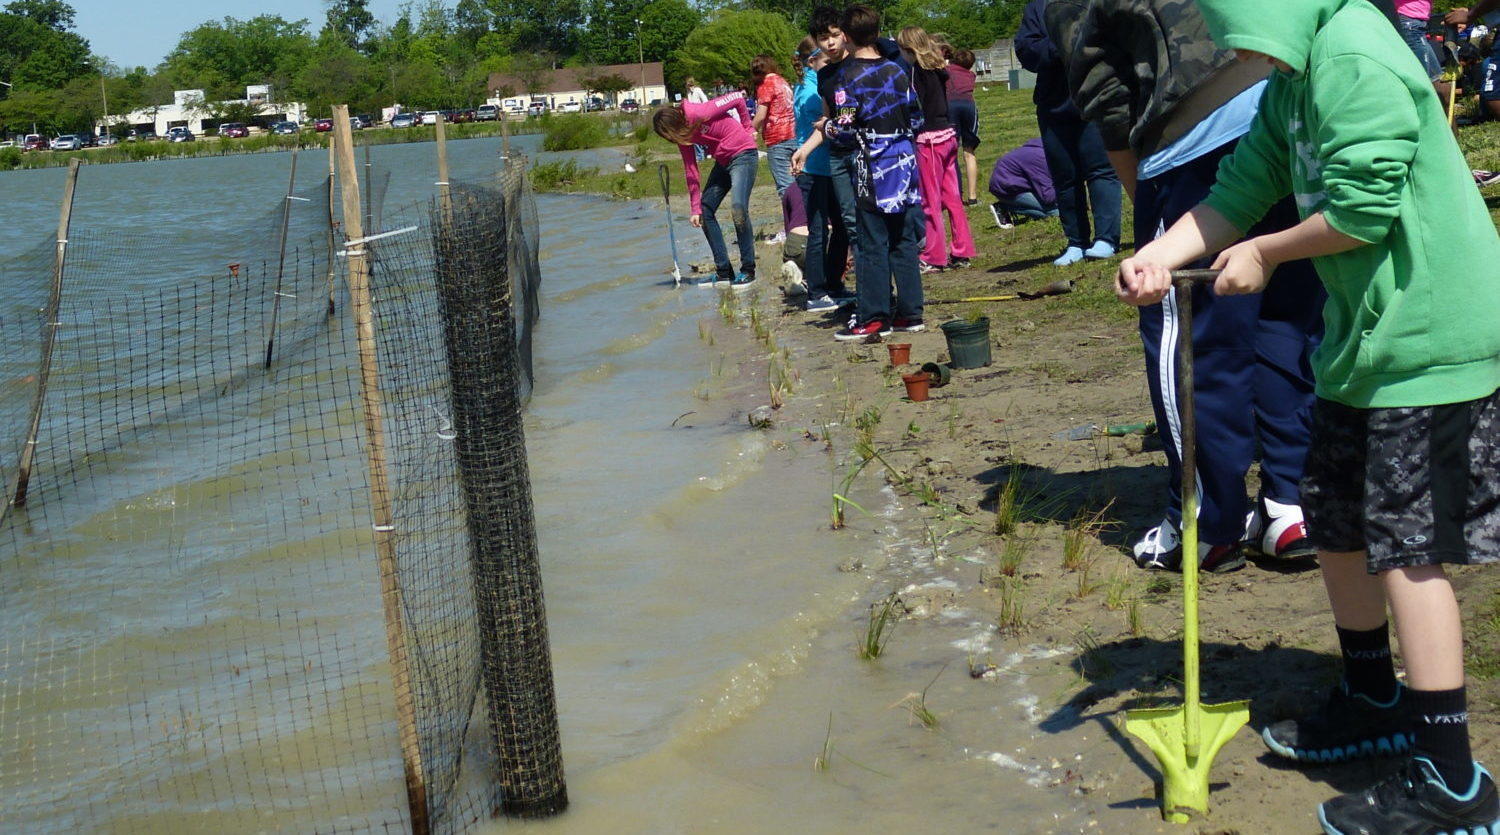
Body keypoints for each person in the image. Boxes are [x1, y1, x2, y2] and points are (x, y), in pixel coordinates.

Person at [1119, 1, 1500, 831]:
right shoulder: (1291, 84)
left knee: (1408, 548)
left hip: (1428, 337)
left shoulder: (1354, 55)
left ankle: (1455, 781)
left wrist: (1264, 252)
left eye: (1233, 26)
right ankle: (1373, 696)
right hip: (1363, 342)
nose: (1224, 46)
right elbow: (1242, 187)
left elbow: (1363, 211)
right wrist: (1160, 254)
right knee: (1336, 522)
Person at [1052, 0, 1327, 572]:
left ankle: (1208, 523)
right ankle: (1290, 504)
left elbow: (1108, 97)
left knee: (1195, 340)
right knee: (1288, 317)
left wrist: (1153, 221)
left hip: (1195, 144)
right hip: (1284, 114)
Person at [794, 3, 925, 341]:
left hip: (873, 167)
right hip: (905, 163)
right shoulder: (897, 71)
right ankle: (911, 314)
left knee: (870, 242)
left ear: (848, 36)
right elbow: (916, 117)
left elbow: (847, 126)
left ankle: (873, 317)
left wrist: (829, 125)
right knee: (903, 238)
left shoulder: (846, 78)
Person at [1015, 0, 1122, 266]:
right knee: (1065, 177)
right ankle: (1076, 242)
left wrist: (1070, 44)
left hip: (1095, 95)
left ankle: (1106, 239)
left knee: (1101, 170)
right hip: (1053, 106)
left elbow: (1106, 37)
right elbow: (1026, 48)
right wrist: (1061, 45)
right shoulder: (1038, 7)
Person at [652, 91, 759, 290]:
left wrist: (748, 127)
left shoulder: (698, 112)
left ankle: (748, 270)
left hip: (743, 154)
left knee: (738, 209)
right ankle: (724, 272)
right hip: (723, 160)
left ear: (674, 123)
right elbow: (690, 170)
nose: (670, 139)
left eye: (668, 134)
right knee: (705, 211)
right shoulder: (682, 136)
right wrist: (694, 208)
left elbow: (737, 98)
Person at [897, 25, 978, 273]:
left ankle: (933, 255)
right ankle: (962, 250)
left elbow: (911, 106)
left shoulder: (915, 73)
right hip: (949, 136)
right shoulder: (939, 68)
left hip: (929, 141)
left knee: (930, 203)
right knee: (952, 198)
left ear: (907, 49)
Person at [790, 37, 853, 312]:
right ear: (811, 61)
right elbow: (826, 125)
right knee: (819, 231)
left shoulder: (816, 85)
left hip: (830, 168)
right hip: (813, 169)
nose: (830, 64)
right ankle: (816, 291)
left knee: (841, 227)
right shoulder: (810, 91)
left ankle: (833, 283)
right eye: (825, 61)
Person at [751, 54, 799, 202]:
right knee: (798, 183)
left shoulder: (765, 85)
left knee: (786, 188)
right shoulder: (782, 81)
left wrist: (749, 129)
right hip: (794, 135)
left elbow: (760, 115)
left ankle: (796, 222)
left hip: (777, 139)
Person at [987, 139, 1057, 228]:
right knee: (1055, 212)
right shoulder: (1040, 158)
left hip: (1022, 184)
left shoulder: (1046, 150)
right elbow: (1048, 197)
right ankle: (1004, 207)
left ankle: (1015, 206)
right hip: (1008, 189)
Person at [945, 48, 982, 205]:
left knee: (950, 152)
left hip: (950, 105)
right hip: (969, 106)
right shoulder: (971, 75)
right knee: (969, 152)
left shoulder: (946, 71)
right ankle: (972, 197)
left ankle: (955, 196)